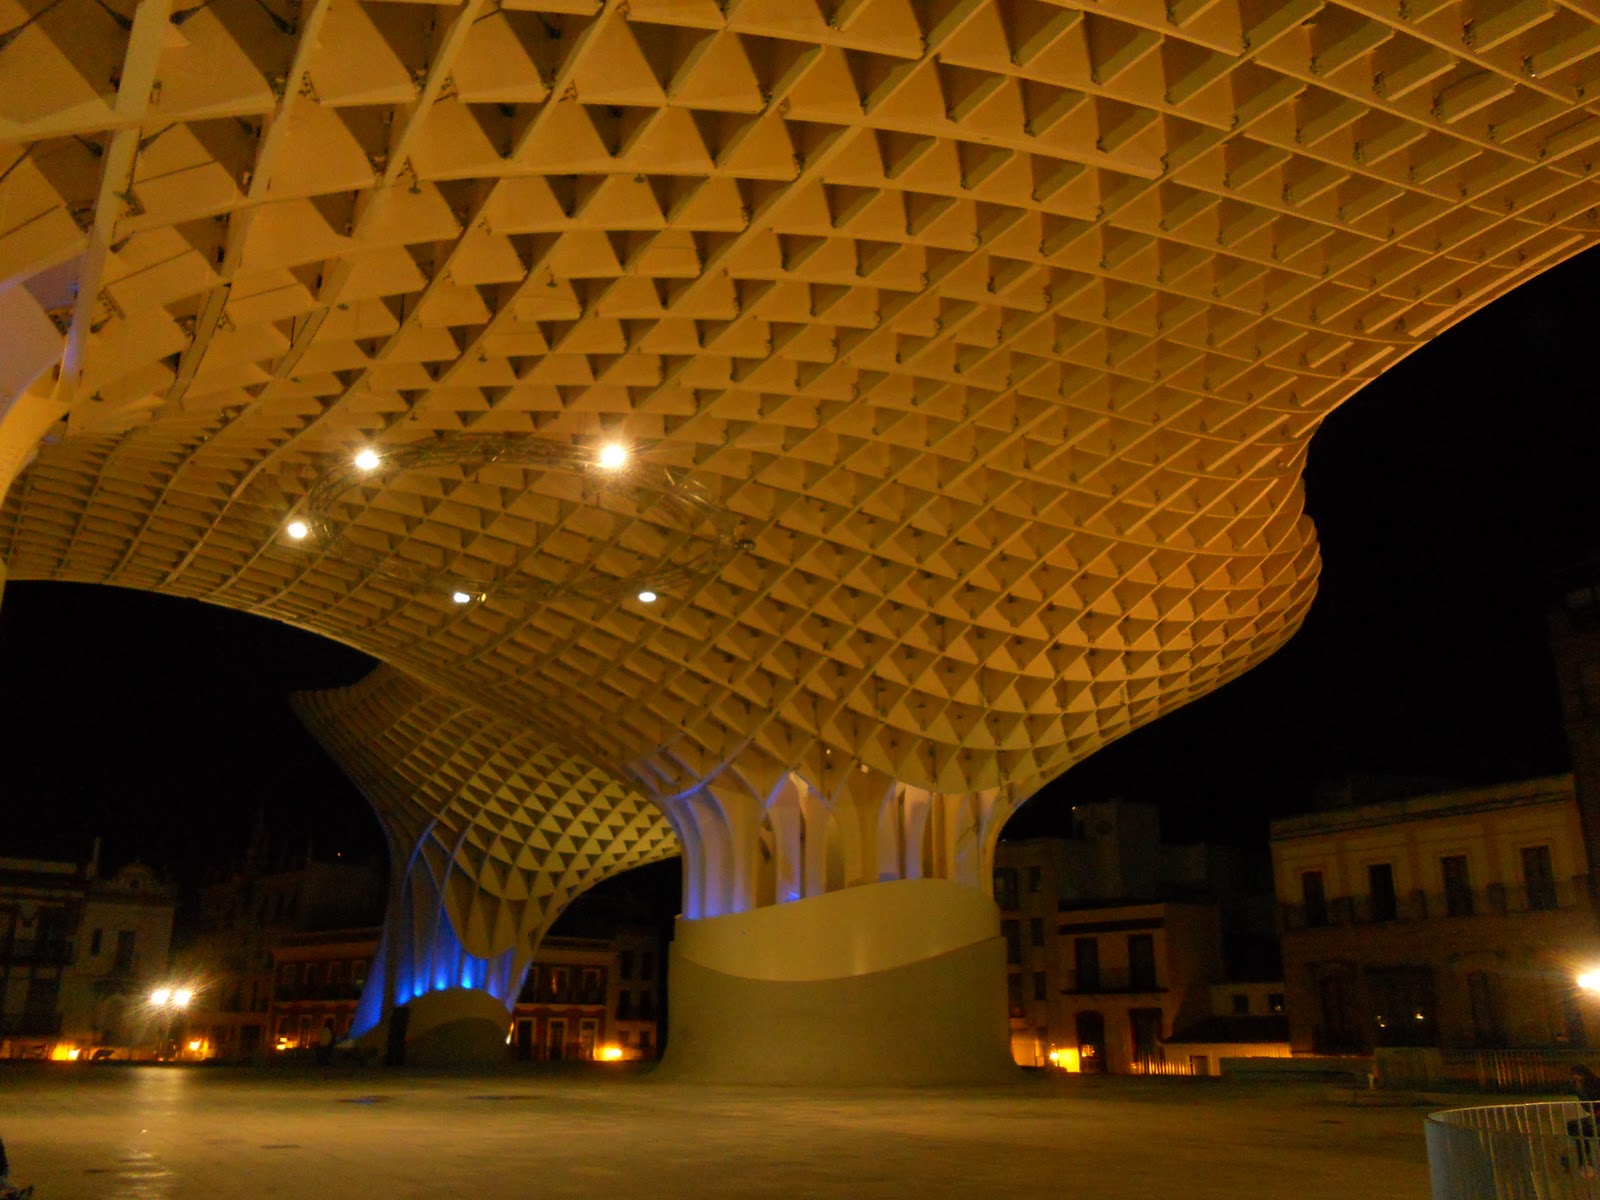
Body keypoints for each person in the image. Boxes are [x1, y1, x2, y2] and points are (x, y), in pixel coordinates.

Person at [1569, 1065, 1600, 1171]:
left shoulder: (1596, 1084)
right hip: (1596, 1115)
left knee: (1587, 1128)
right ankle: (1584, 1159)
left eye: (1576, 1074)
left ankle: (1586, 1159)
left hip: (1598, 1115)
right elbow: (1587, 1107)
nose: (1574, 1077)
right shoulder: (1580, 1088)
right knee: (1574, 1126)